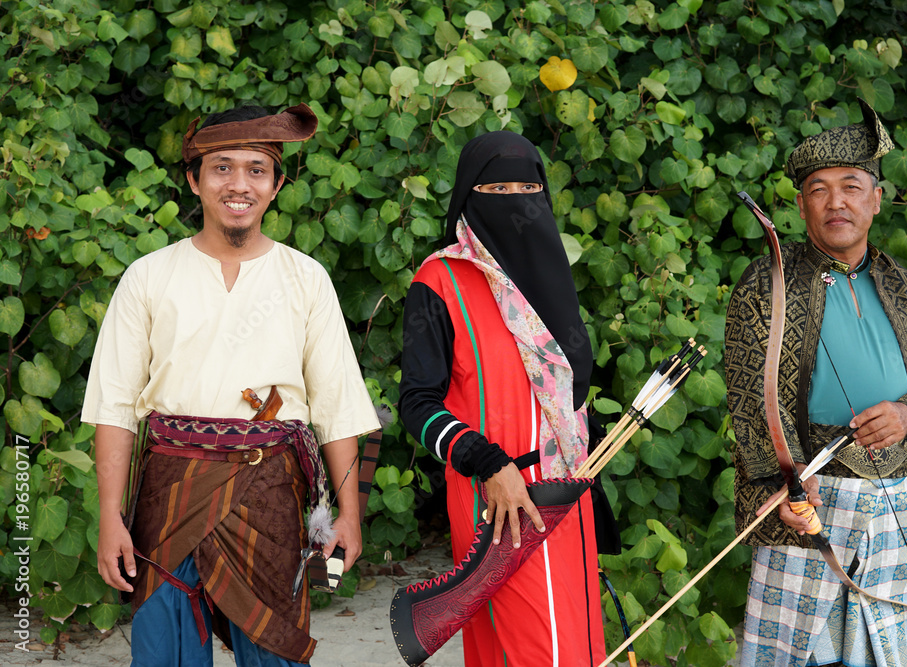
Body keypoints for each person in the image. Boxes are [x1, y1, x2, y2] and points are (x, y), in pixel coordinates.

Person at [82, 104, 381, 666]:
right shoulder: (149, 276)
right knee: (165, 652)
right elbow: (115, 407)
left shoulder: (305, 278)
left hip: (270, 493)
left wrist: (349, 513)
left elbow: (336, 405)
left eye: (256, 170)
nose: (238, 184)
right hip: (171, 492)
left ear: (276, 186)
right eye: (221, 168)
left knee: (274, 651)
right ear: (195, 181)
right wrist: (109, 515)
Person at [725, 99, 907, 666]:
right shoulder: (767, 283)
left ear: (876, 199)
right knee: (802, 654)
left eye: (851, 185)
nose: (836, 201)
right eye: (819, 189)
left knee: (895, 652)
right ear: (800, 204)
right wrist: (786, 482)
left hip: (899, 495)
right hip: (809, 500)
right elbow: (751, 399)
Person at [397, 131, 606, 666]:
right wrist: (489, 464)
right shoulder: (440, 280)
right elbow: (418, 404)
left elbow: (568, 394)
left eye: (526, 186)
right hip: (496, 498)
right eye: (498, 187)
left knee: (572, 643)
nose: (515, 199)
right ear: (470, 195)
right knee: (528, 649)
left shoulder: (551, 273)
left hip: (564, 495)